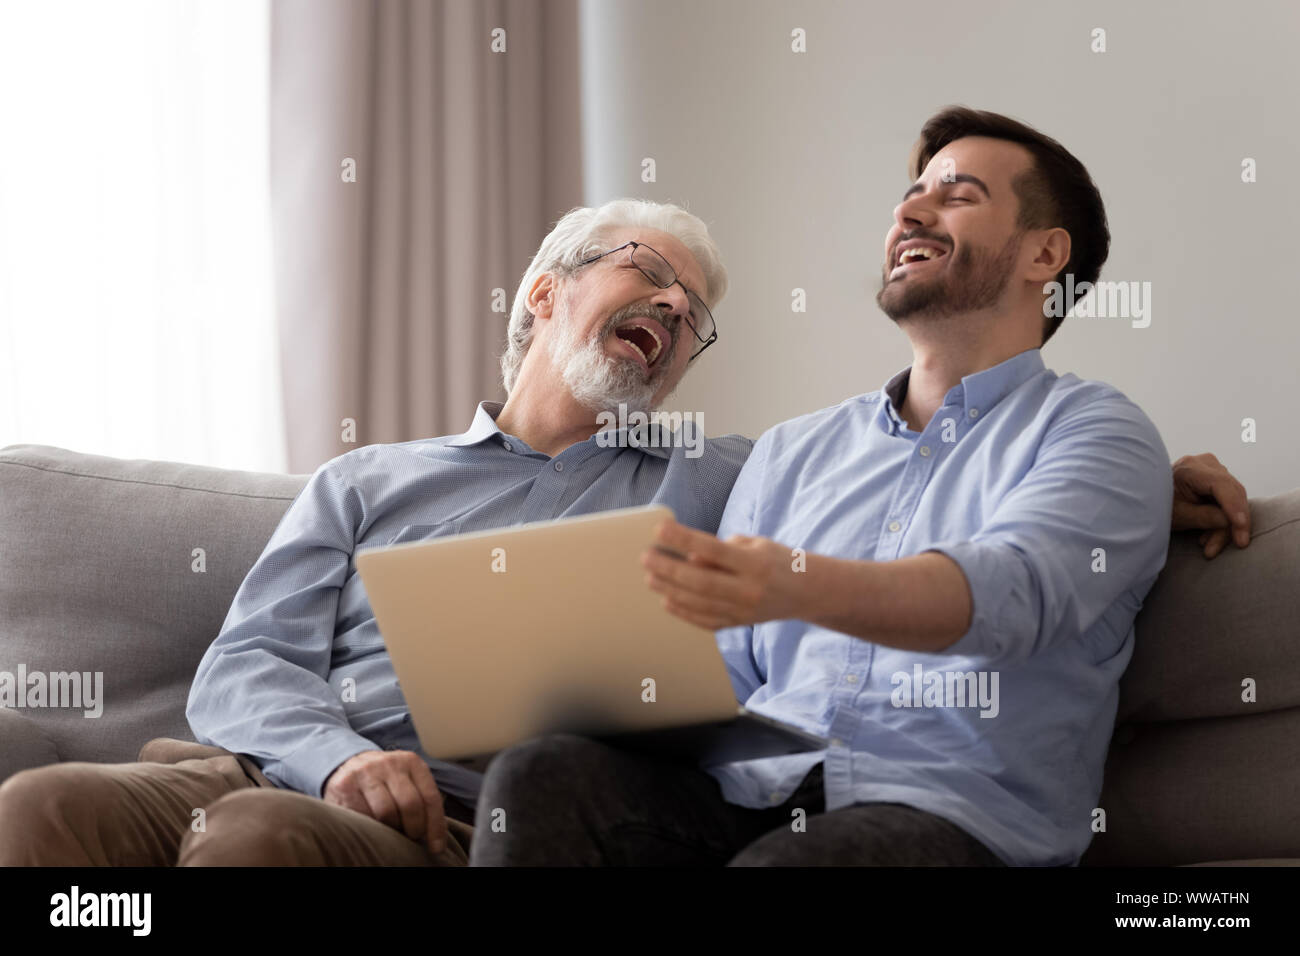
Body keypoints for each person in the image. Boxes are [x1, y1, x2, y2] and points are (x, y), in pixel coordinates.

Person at [0, 189, 1249, 866]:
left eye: (691, 309)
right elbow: (249, 662)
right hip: (270, 768)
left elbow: (926, 472)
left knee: (256, 844)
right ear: (545, 293)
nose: (671, 304)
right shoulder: (367, 477)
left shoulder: (723, 479)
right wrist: (330, 751)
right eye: (644, 271)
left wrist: (1156, 477)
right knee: (46, 810)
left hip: (442, 819)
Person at [468, 108, 1252, 868]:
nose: (912, 208)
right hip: (746, 797)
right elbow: (729, 676)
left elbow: (1017, 591)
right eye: (910, 195)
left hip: (944, 816)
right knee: (544, 777)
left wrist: (794, 583)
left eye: (956, 194)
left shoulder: (1097, 432)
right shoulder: (791, 452)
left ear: (1044, 255)